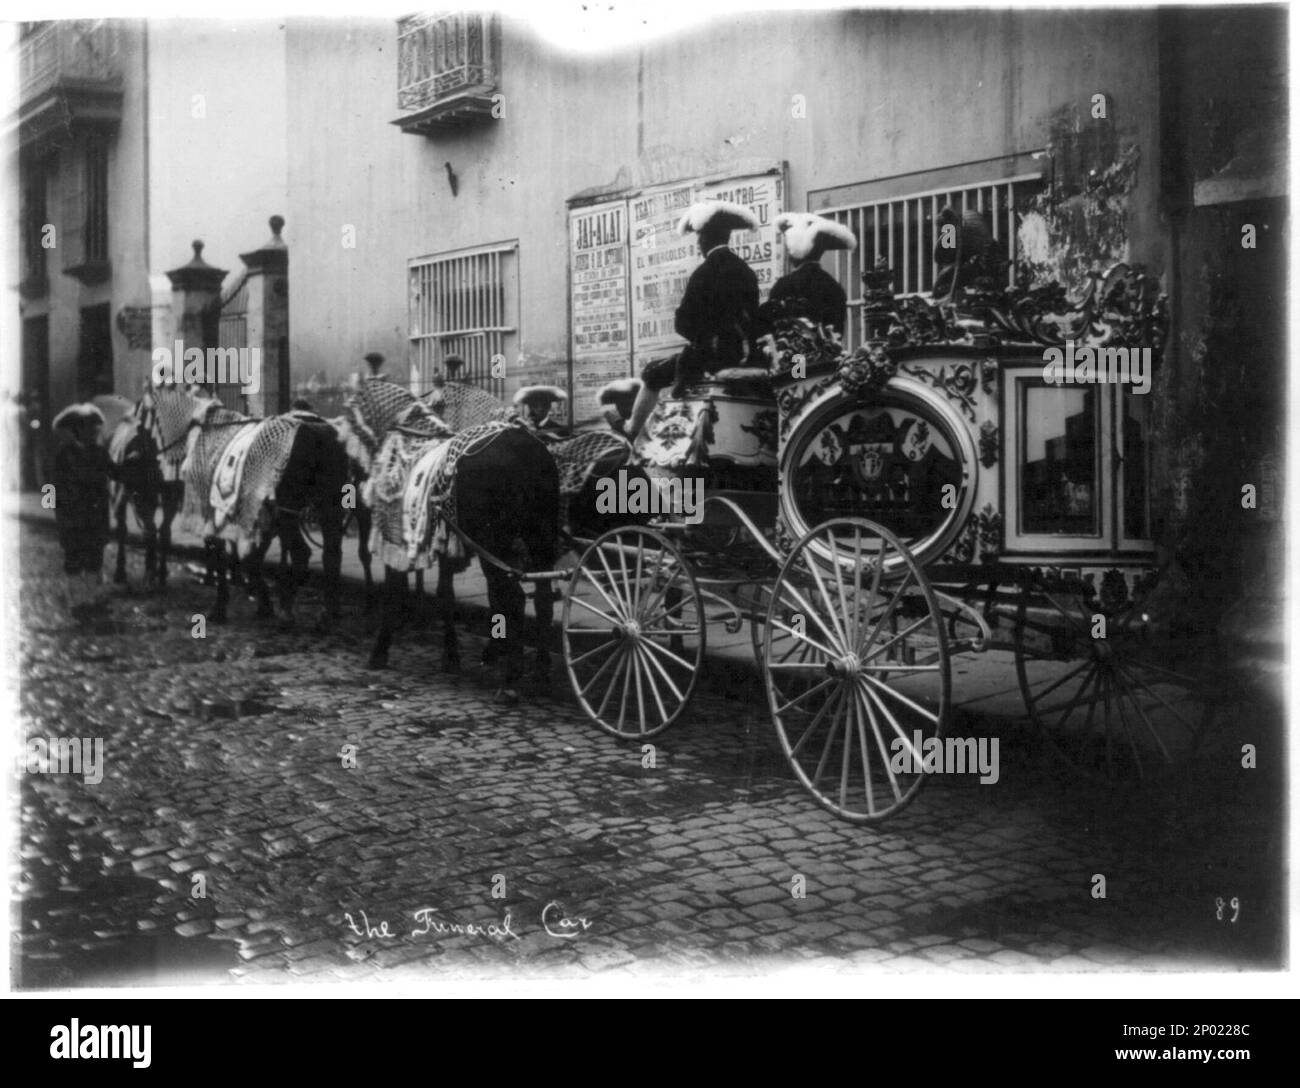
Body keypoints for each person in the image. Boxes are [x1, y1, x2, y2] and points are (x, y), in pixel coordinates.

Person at [623, 200, 762, 439]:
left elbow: (684, 322)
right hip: (746, 355)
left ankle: (632, 429)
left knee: (652, 373)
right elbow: (753, 317)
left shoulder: (704, 272)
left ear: (704, 239)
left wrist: (701, 338)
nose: (698, 244)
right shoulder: (746, 271)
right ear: (727, 237)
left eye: (699, 238)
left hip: (713, 358)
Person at [51, 403, 120, 616]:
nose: (94, 432)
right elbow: (51, 486)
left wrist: (135, 467)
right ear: (78, 430)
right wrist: (58, 514)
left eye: (96, 428)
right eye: (90, 428)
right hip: (72, 517)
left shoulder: (100, 452)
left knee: (94, 558)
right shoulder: (64, 454)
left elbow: (116, 472)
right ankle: (76, 602)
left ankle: (91, 601)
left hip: (96, 516)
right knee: (73, 559)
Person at [766, 213, 856, 336]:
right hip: (827, 354)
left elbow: (771, 327)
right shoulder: (833, 286)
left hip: (794, 355)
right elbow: (837, 331)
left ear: (794, 252)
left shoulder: (784, 285)